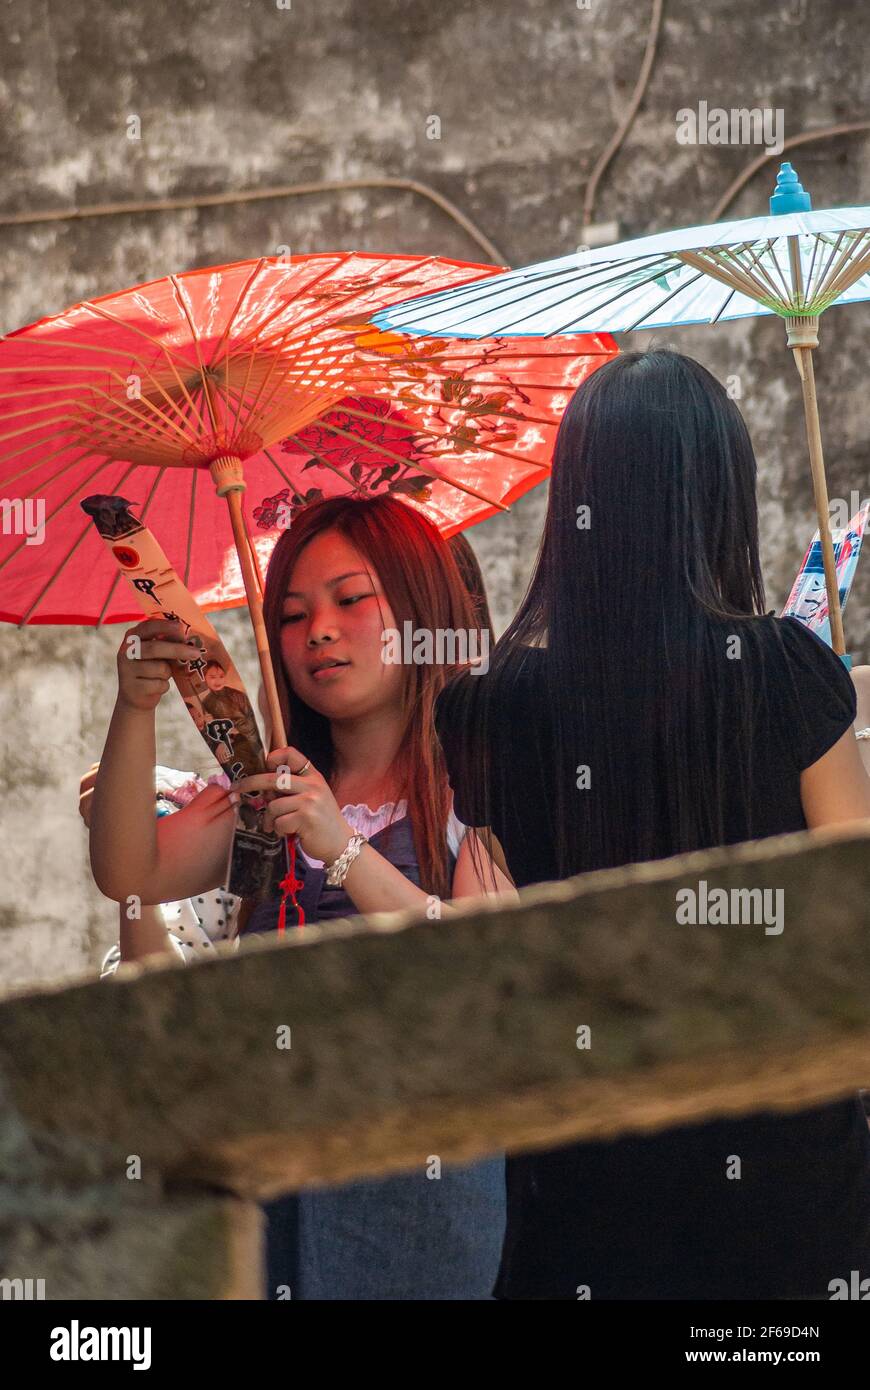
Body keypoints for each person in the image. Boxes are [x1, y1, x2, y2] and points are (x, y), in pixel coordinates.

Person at [435, 348, 870, 1301]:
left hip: (586, 1176)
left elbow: (494, 950)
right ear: (720, 493)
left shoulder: (486, 712)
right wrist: (834, 700)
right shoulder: (792, 675)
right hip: (786, 1175)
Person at [88, 493, 514, 1300]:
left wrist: (343, 850)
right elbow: (129, 876)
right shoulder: (263, 790)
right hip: (264, 1177)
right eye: (292, 614)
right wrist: (135, 709)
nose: (319, 630)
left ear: (422, 607)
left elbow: (483, 962)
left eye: (351, 600)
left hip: (417, 1194)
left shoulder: (475, 783)